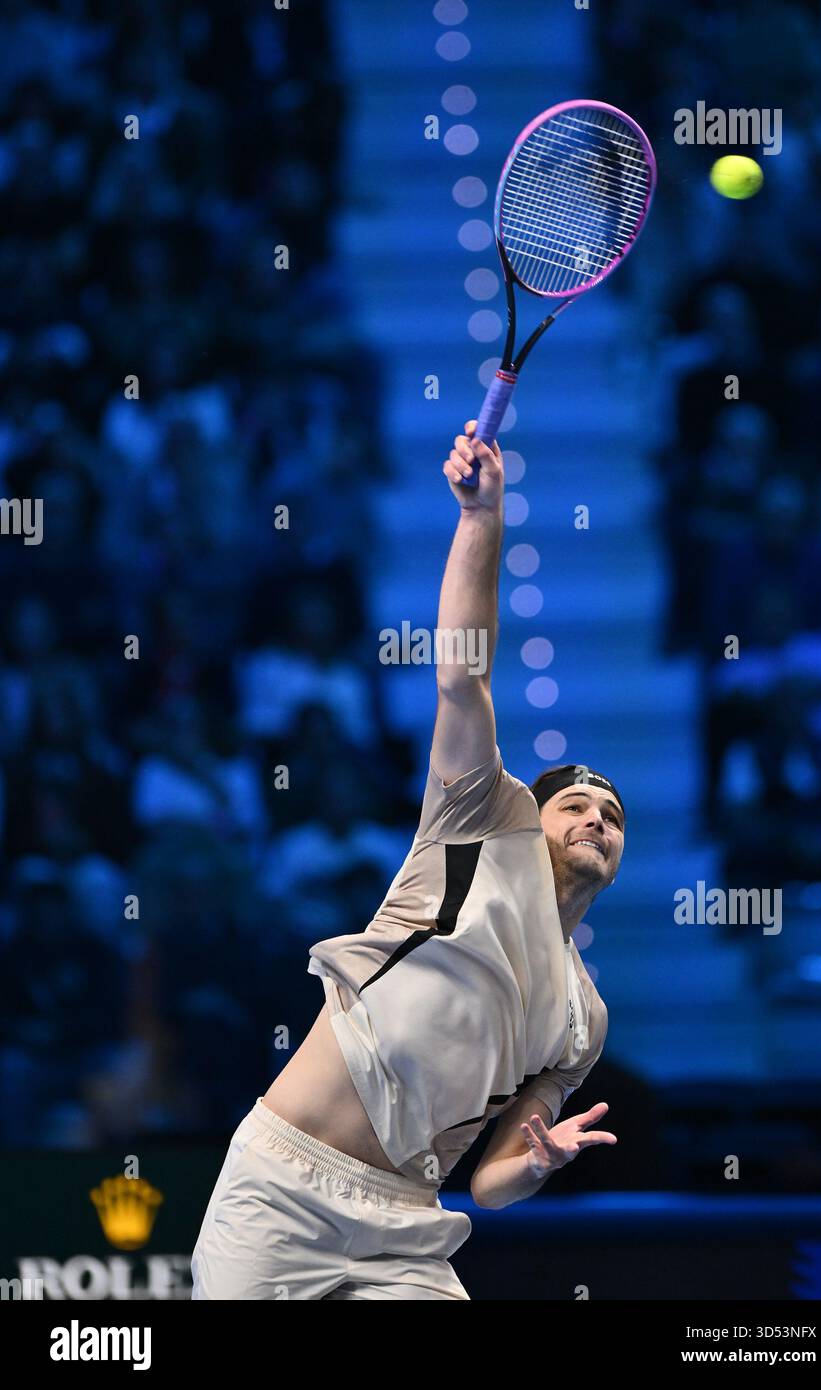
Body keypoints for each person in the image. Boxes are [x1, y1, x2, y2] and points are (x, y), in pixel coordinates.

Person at [191, 422, 624, 1300]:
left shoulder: (583, 1019)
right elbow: (464, 676)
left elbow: (492, 1183)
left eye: (613, 817)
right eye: (575, 804)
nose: (596, 819)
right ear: (528, 817)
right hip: (280, 1192)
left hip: (405, 1228)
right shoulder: (478, 825)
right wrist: (481, 517)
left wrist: (540, 1163)